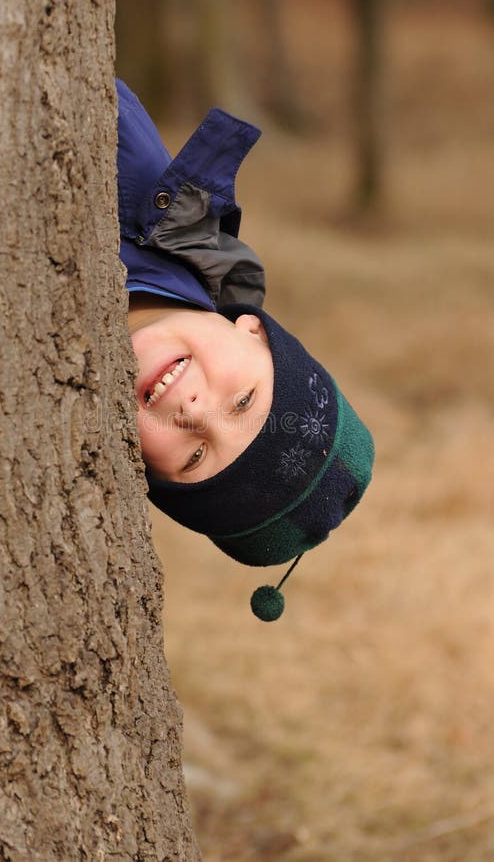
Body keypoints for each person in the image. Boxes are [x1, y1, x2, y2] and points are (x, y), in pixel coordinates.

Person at [117, 79, 374, 620]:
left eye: (194, 458)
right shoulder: (123, 174)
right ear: (252, 330)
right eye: (241, 402)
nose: (194, 412)